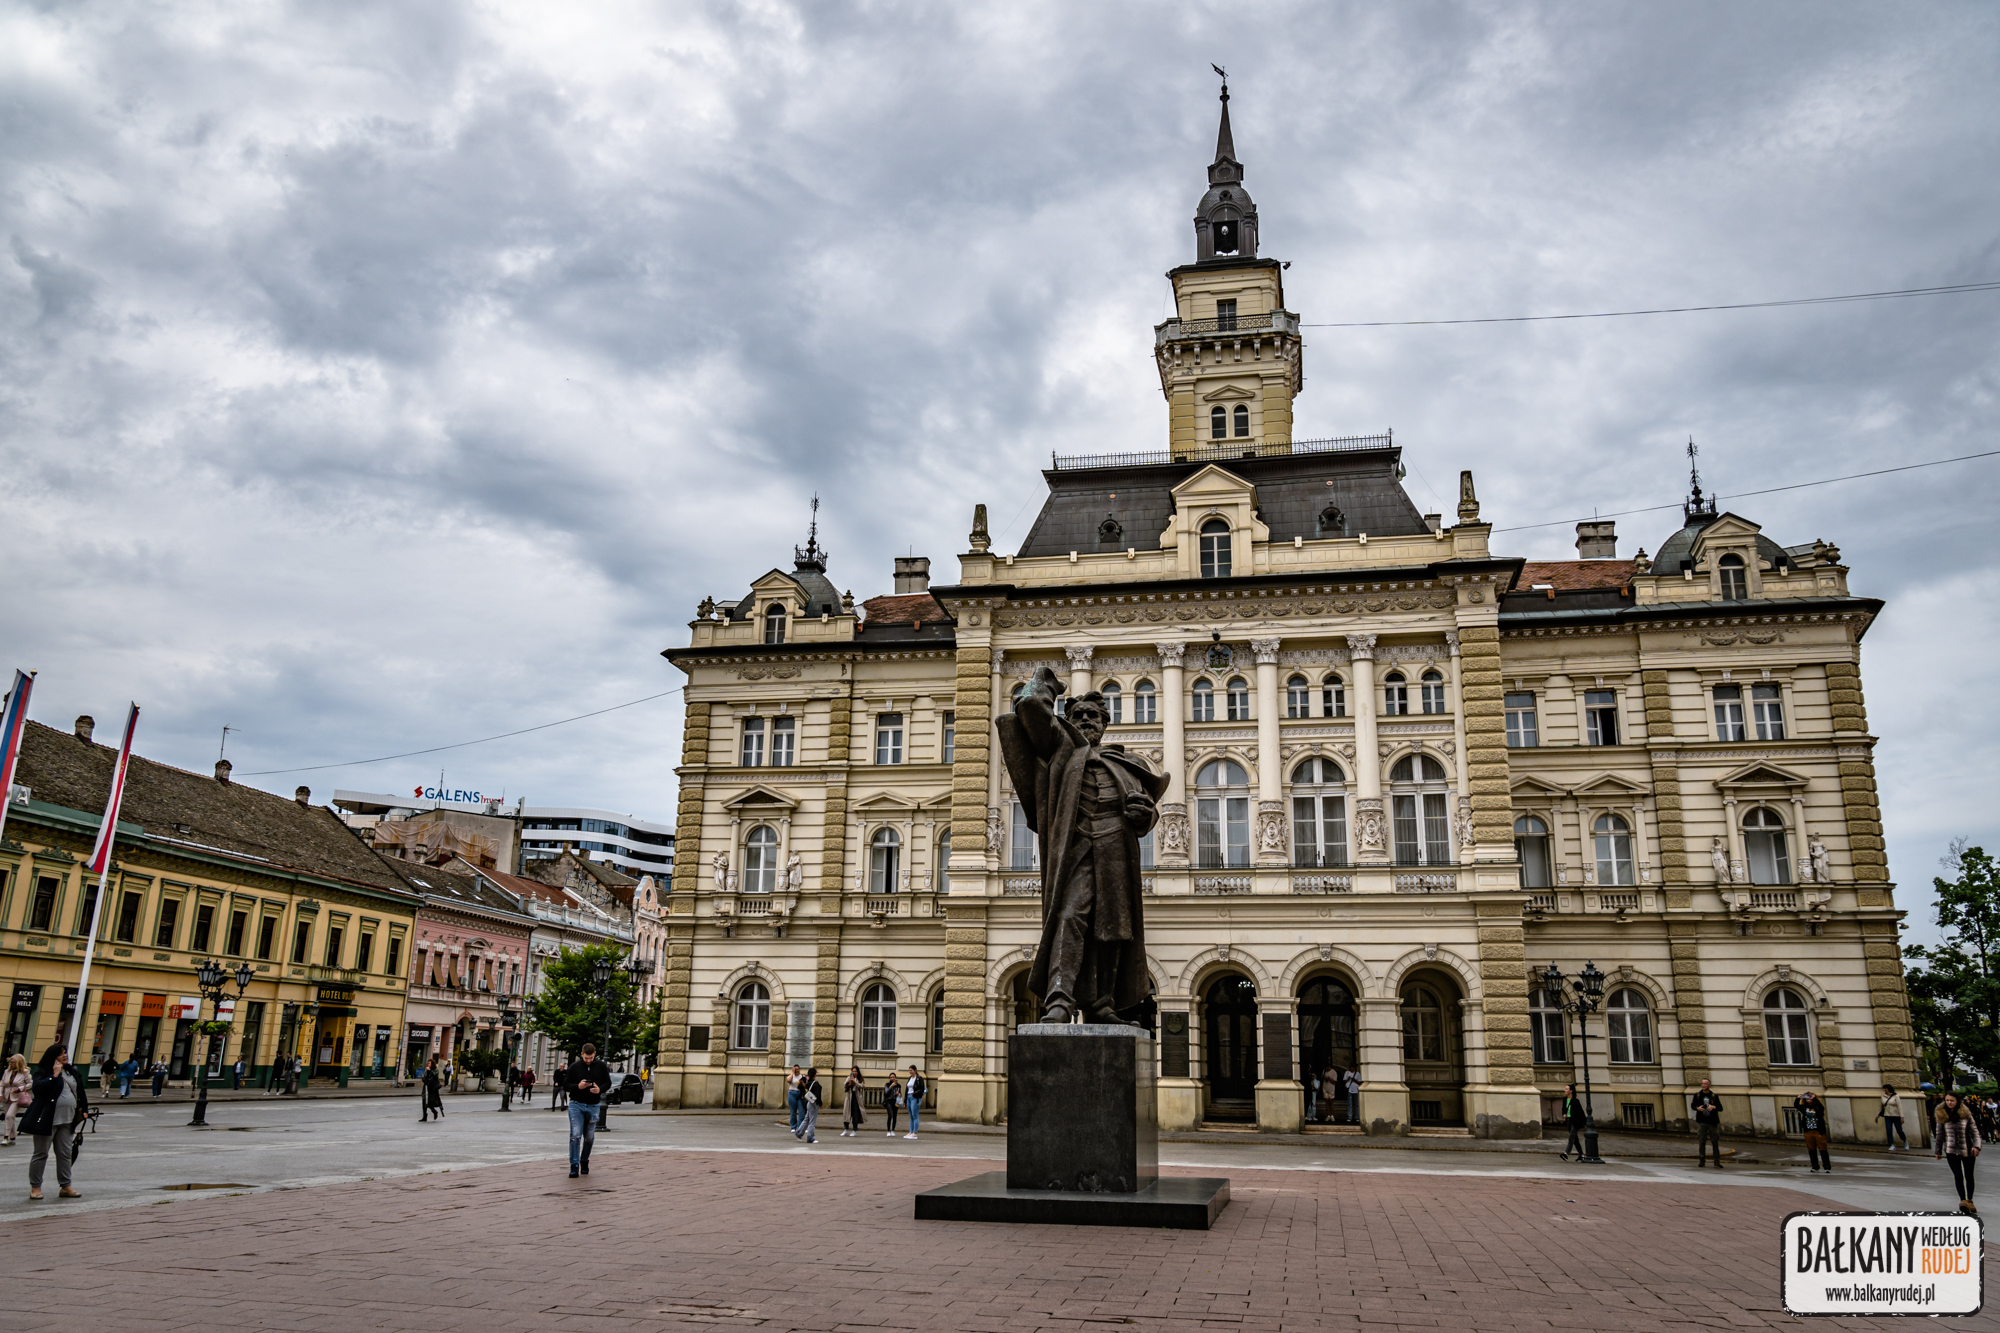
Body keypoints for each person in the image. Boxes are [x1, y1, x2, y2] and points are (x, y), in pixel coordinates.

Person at [997, 670, 1167, 1025]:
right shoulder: (1061, 748)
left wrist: (1143, 815)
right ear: (1068, 721)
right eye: (1079, 715)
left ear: (1106, 724)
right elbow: (1028, 704)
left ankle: (1100, 1004)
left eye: (1094, 715)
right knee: (1070, 917)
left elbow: (1147, 814)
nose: (1087, 720)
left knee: (1113, 930)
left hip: (1116, 849)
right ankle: (1060, 999)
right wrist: (1049, 682)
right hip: (1076, 847)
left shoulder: (1128, 765)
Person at [23, 1043, 88, 1201]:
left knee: (65, 1154)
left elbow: (80, 1090)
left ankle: (66, 1186)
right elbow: (38, 1090)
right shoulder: (43, 1072)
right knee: (41, 1154)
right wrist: (54, 1075)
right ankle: (36, 1187)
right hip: (47, 1119)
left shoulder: (72, 1071)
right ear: (53, 1057)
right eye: (61, 1054)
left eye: (65, 1053)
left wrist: (85, 1108)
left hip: (67, 1119)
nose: (65, 1055)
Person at [564, 1043, 613, 1178]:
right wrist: (578, 1086)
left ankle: (584, 1160)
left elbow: (608, 1083)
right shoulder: (574, 1067)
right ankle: (574, 1166)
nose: (588, 1060)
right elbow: (566, 1085)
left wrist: (600, 1090)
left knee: (589, 1137)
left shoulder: (601, 1066)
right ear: (582, 1055)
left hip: (593, 1105)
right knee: (575, 1135)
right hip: (576, 1104)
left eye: (591, 1058)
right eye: (586, 1058)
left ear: (595, 1054)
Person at [1935, 1091, 1982, 1214]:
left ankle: (1970, 1200)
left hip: (1968, 1149)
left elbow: (1975, 1132)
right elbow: (1939, 1135)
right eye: (1947, 1100)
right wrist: (1938, 1150)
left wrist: (1977, 1146)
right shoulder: (1941, 1114)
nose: (1949, 1102)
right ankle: (1963, 1201)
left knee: (1969, 1175)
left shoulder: (1966, 1114)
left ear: (1958, 1101)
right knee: (1958, 1176)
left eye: (1952, 1100)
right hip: (1951, 1150)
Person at [1795, 1089, 1832, 1173]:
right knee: (1811, 1149)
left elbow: (1821, 1108)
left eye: (1810, 1098)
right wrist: (1798, 1098)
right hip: (1808, 1131)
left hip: (1818, 1131)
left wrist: (1815, 1098)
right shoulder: (1804, 1107)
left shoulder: (1817, 1107)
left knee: (1822, 1149)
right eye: (1807, 1098)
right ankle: (1815, 1166)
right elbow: (1796, 1106)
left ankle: (1827, 1167)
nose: (1809, 1100)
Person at [1690, 1078, 1724, 1167]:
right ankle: (1702, 1160)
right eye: (1702, 1083)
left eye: (1705, 1084)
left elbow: (1720, 1108)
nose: (1703, 1085)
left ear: (1709, 1085)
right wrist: (1698, 1108)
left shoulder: (1713, 1096)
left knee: (1715, 1142)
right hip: (1702, 1121)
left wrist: (1713, 1107)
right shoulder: (1698, 1095)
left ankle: (1717, 1161)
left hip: (1712, 1122)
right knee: (1702, 1142)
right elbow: (1693, 1105)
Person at [2, 1053, 32, 1146]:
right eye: (10, 1062)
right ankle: (13, 1135)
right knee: (9, 1115)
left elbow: (30, 1084)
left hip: (18, 1097)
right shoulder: (7, 1071)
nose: (10, 1064)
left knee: (9, 1116)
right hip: (6, 1096)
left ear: (19, 1062)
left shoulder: (25, 1072)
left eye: (13, 1062)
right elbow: (2, 1084)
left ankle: (5, 1137)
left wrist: (20, 1088)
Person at [1559, 1083, 1587, 1161]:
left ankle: (1566, 1153)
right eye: (1565, 1089)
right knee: (1575, 1139)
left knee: (1571, 1137)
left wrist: (1585, 1122)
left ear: (1571, 1091)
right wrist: (1564, 1114)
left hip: (1576, 1121)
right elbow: (1563, 1109)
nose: (1565, 1090)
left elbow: (1581, 1112)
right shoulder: (1565, 1099)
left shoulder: (1575, 1101)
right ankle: (1582, 1155)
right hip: (1568, 1121)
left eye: (1567, 1089)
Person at [794, 1067, 821, 1144]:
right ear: (815, 1074)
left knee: (807, 1119)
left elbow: (805, 1086)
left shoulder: (809, 1083)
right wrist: (820, 1103)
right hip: (814, 1103)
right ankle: (810, 1138)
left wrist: (803, 1081)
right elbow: (818, 1095)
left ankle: (799, 1133)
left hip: (809, 1102)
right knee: (812, 1121)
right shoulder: (816, 1083)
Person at [1878, 1083, 1910, 1151]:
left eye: (1885, 1088)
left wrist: (1902, 1117)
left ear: (1888, 1089)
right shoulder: (1883, 1097)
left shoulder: (1896, 1096)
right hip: (1887, 1116)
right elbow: (1881, 1107)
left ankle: (1905, 1141)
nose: (1884, 1090)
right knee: (1889, 1130)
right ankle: (1892, 1144)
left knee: (1899, 1131)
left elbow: (1899, 1107)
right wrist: (1877, 1116)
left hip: (1896, 1116)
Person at [841, 1067, 866, 1137]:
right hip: (849, 1097)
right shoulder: (848, 1077)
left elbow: (862, 1086)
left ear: (858, 1072)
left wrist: (855, 1082)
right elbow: (844, 1086)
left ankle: (854, 1130)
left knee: (855, 1114)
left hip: (856, 1098)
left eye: (855, 1071)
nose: (854, 1073)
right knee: (846, 1113)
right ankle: (846, 1129)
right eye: (853, 1071)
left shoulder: (860, 1079)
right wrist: (847, 1081)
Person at [904, 1065, 925, 1140]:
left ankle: (915, 1132)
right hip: (909, 1097)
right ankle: (911, 1131)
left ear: (915, 1070)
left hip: (915, 1098)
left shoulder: (919, 1078)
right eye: (909, 1070)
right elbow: (906, 1089)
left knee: (915, 1115)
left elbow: (922, 1088)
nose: (910, 1072)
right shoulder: (910, 1078)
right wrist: (905, 1100)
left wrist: (915, 1093)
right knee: (911, 1116)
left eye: (911, 1070)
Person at [420, 1056, 443, 1121]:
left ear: (432, 1064)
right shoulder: (426, 1071)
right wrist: (426, 1074)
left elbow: (435, 1075)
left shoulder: (435, 1070)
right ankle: (424, 1116)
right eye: (427, 1063)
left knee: (430, 1102)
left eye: (429, 1063)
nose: (428, 1065)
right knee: (424, 1101)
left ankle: (434, 1111)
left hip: (432, 1088)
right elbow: (423, 1078)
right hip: (426, 1087)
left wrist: (430, 1071)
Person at [786, 1065, 804, 1135]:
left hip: (800, 1094)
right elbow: (788, 1080)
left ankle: (801, 1127)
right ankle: (793, 1127)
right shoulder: (791, 1076)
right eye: (795, 1069)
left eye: (798, 1069)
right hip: (792, 1093)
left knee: (801, 1112)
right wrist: (792, 1073)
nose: (797, 1071)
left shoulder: (802, 1076)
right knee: (793, 1112)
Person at [883, 1071, 902, 1137]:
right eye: (891, 1077)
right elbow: (886, 1093)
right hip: (889, 1101)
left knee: (895, 1116)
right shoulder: (887, 1085)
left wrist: (898, 1094)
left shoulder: (898, 1085)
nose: (892, 1078)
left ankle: (893, 1130)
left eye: (893, 1077)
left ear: (895, 1078)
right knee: (890, 1115)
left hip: (895, 1101)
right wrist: (891, 1086)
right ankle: (888, 1130)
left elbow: (900, 1094)